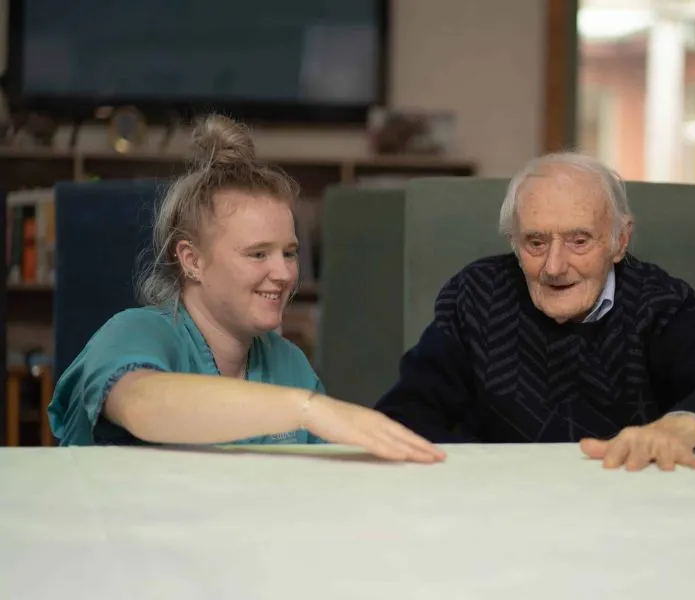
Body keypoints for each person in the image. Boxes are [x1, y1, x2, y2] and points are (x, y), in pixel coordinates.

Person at [48, 114, 445, 465]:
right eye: (258, 254)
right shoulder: (134, 332)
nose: (285, 273)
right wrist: (305, 409)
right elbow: (140, 404)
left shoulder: (288, 363)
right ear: (192, 260)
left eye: (289, 253)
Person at [375, 152, 695, 470]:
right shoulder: (476, 295)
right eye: (535, 241)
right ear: (514, 243)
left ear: (620, 241)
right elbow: (405, 413)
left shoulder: (659, 304)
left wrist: (678, 428)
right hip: (499, 507)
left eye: (579, 241)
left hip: (628, 502)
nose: (553, 266)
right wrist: (492, 469)